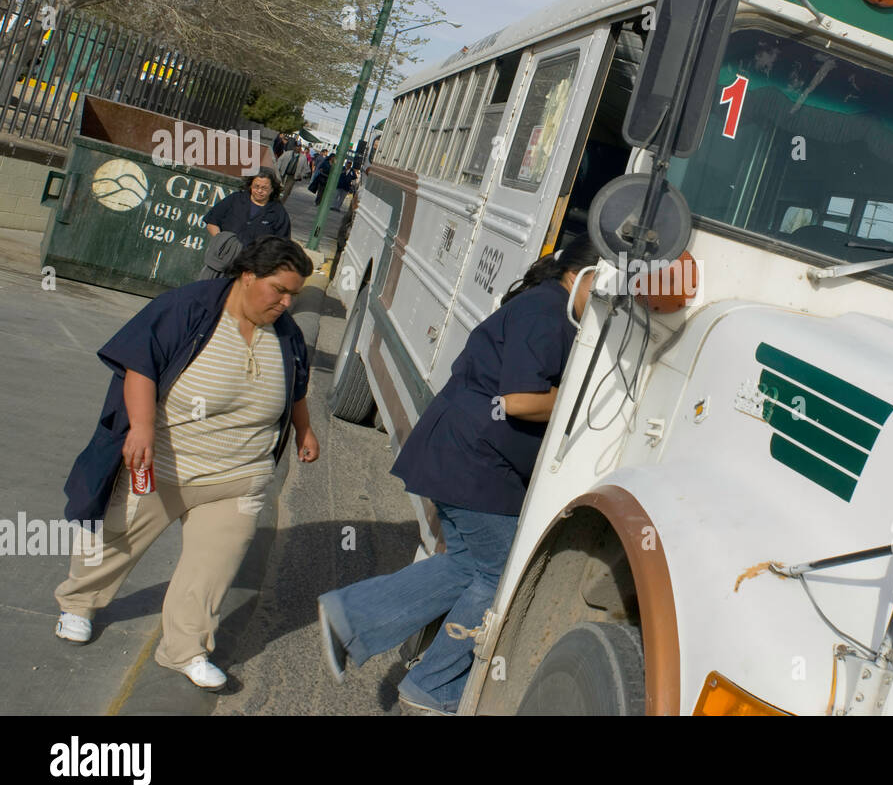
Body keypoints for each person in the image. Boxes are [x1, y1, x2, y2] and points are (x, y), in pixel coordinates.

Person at [317, 236, 601, 714]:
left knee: (467, 567)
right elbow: (519, 400)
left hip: (467, 455)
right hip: (474, 460)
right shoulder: (547, 312)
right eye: (609, 286)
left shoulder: (554, 309)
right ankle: (432, 681)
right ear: (579, 275)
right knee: (501, 574)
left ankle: (352, 619)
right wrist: (576, 395)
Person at [55, 237, 320, 689]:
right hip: (164, 465)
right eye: (279, 289)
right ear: (248, 275)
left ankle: (185, 649)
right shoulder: (188, 307)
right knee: (119, 541)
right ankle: (79, 605)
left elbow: (294, 385)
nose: (286, 301)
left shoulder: (286, 331)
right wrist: (140, 426)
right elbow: (141, 363)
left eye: (294, 293)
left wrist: (304, 429)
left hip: (240, 476)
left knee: (212, 569)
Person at [203, 167, 292, 246]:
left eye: (264, 188)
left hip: (253, 262)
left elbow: (282, 244)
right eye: (256, 187)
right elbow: (212, 222)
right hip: (223, 258)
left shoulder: (279, 213)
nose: (259, 191)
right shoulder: (235, 199)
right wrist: (221, 242)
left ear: (272, 189)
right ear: (250, 186)